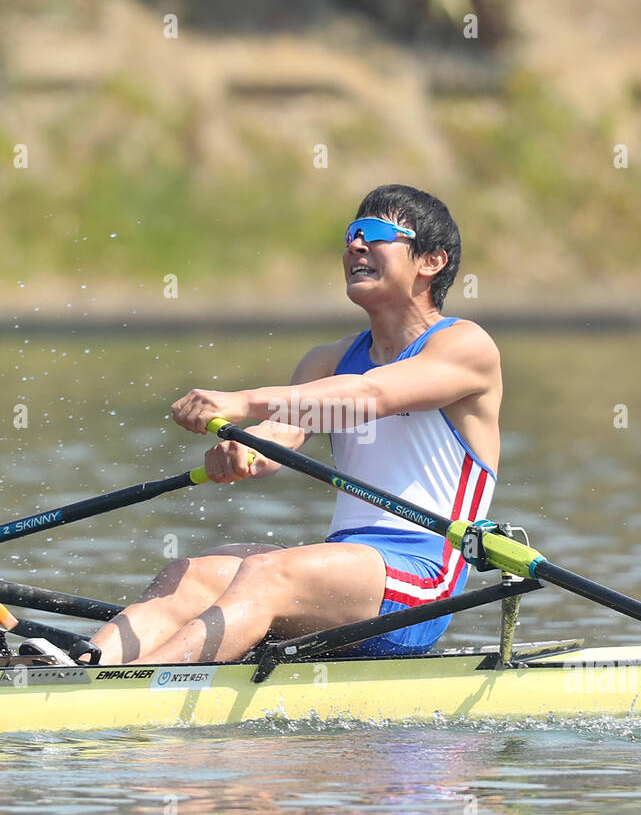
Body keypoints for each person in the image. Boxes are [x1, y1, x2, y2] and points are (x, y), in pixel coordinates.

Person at [88, 184, 502, 665]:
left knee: (266, 573)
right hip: (345, 572)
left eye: (375, 234)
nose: (355, 246)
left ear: (431, 261)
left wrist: (242, 400)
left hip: (423, 581)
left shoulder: (465, 347)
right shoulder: (326, 360)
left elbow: (371, 395)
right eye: (351, 234)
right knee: (190, 574)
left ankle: (138, 687)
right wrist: (243, 449)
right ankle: (79, 671)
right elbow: (280, 436)